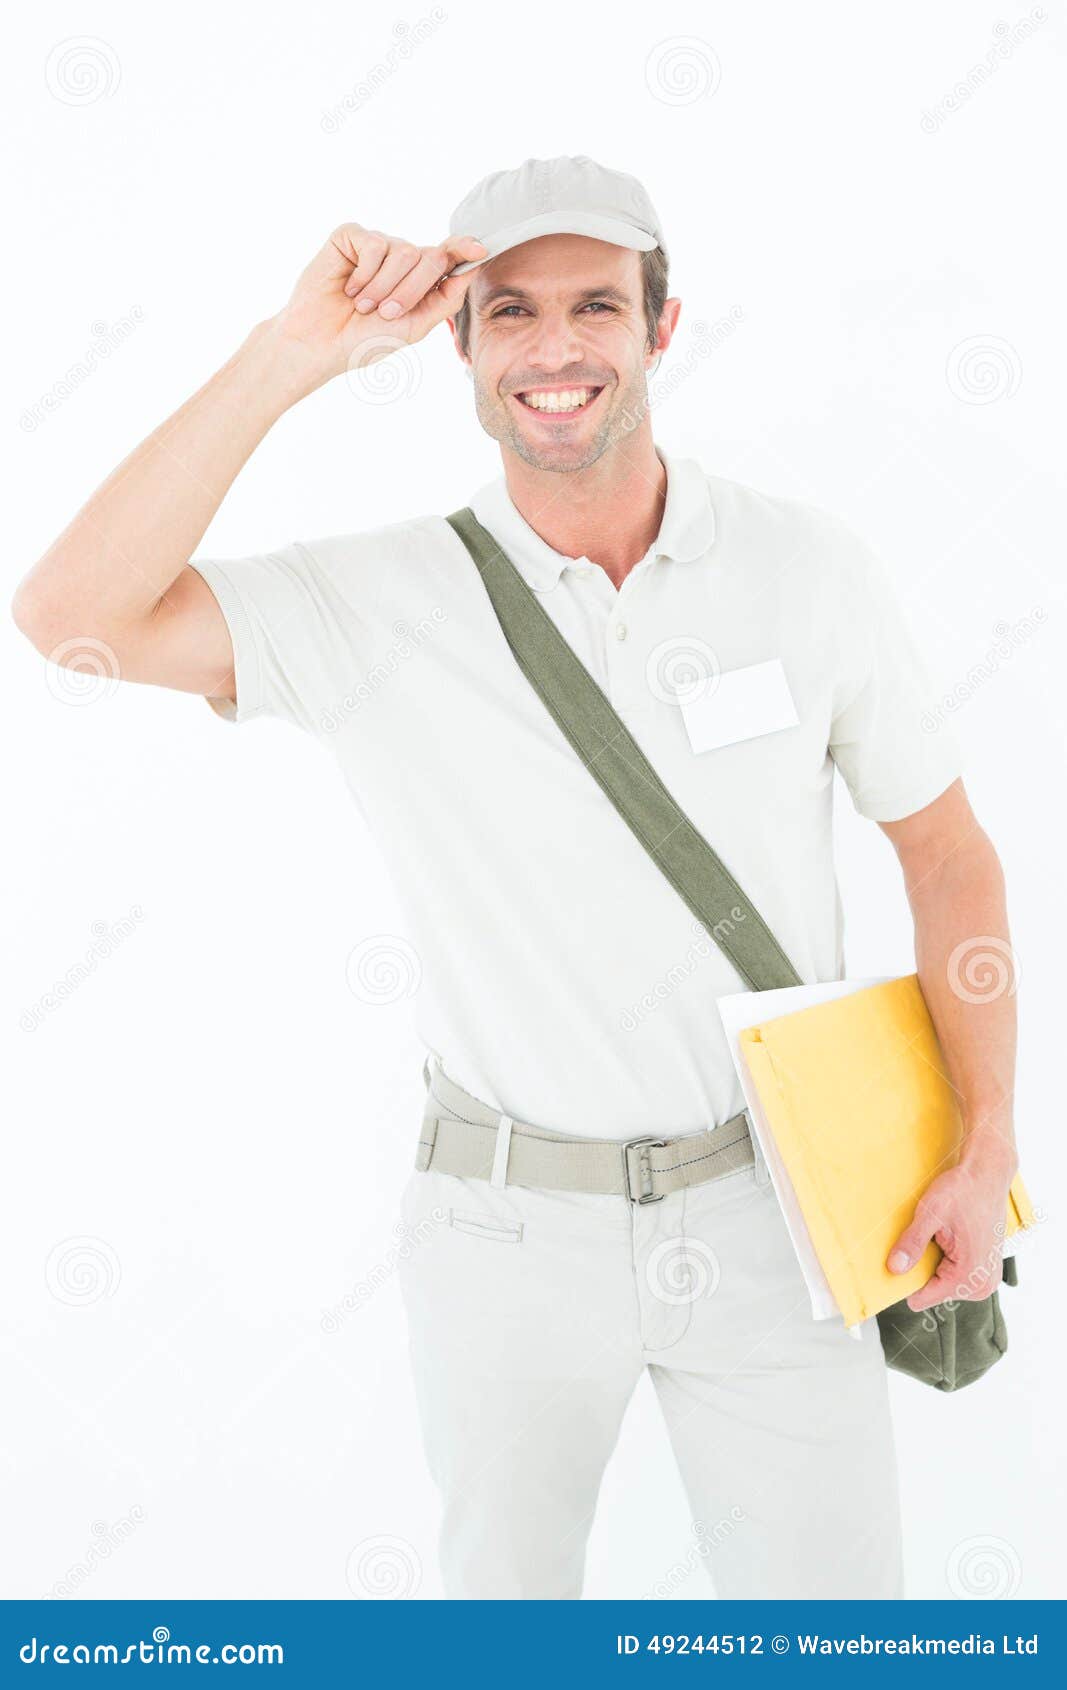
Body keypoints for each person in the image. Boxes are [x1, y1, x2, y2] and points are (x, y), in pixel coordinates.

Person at [12, 156, 1019, 1600]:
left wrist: (986, 1143)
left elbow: (950, 852)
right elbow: (72, 616)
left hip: (780, 1206)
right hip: (503, 1227)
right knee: (504, 1639)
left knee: (832, 1639)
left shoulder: (806, 570)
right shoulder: (375, 601)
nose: (556, 349)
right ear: (460, 346)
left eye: (596, 305)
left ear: (662, 328)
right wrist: (288, 355)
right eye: (512, 312)